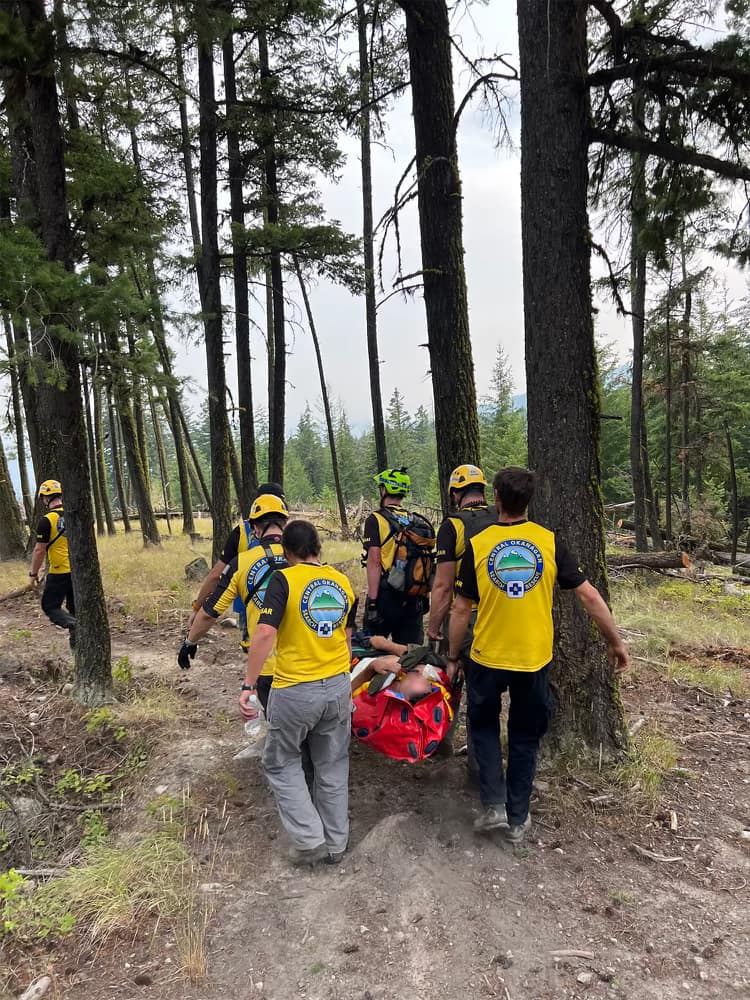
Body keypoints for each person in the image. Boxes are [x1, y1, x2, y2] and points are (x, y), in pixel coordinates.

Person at [448, 466, 630, 844]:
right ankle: (517, 818)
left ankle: (494, 804)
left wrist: (452, 654)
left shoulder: (479, 544)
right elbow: (589, 596)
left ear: (496, 497)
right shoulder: (548, 541)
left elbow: (461, 610)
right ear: (529, 501)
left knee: (482, 728)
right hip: (533, 659)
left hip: (486, 656)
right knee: (525, 736)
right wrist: (616, 641)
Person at [240, 520, 357, 867]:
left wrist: (249, 685)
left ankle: (309, 839)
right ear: (318, 548)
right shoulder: (342, 582)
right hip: (337, 684)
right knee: (333, 765)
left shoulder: (283, 580)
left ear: (286, 553)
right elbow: (347, 637)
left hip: (295, 689)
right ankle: (337, 844)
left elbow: (264, 632)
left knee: (280, 761)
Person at [177, 493, 289, 712]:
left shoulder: (242, 563)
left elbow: (210, 613)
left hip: (268, 667)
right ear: (285, 523)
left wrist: (189, 642)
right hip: (308, 664)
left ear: (255, 528)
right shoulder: (303, 557)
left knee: (282, 733)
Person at [426, 464, 497, 760]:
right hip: (501, 617)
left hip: (465, 618)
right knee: (486, 692)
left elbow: (442, 587)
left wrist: (434, 626)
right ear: (482, 490)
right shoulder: (501, 517)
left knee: (450, 678)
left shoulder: (452, 526)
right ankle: (481, 754)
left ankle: (441, 743)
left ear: (456, 494)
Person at [186, 482, 285, 630]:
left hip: (249, 608)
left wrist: (197, 607)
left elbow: (215, 575)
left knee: (253, 648)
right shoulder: (295, 533)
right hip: (287, 609)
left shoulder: (242, 532)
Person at [362, 468, 431, 644]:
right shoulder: (416, 520)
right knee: (410, 656)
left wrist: (372, 602)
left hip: (387, 596)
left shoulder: (375, 519)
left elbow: (374, 561)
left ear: (384, 490)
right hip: (413, 596)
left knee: (372, 650)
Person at [29, 480, 76, 648]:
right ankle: (77, 648)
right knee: (74, 609)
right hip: (77, 572)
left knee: (49, 605)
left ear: (45, 498)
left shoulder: (47, 520)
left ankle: (75, 627)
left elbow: (39, 550)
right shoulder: (74, 514)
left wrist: (33, 574)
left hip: (59, 571)